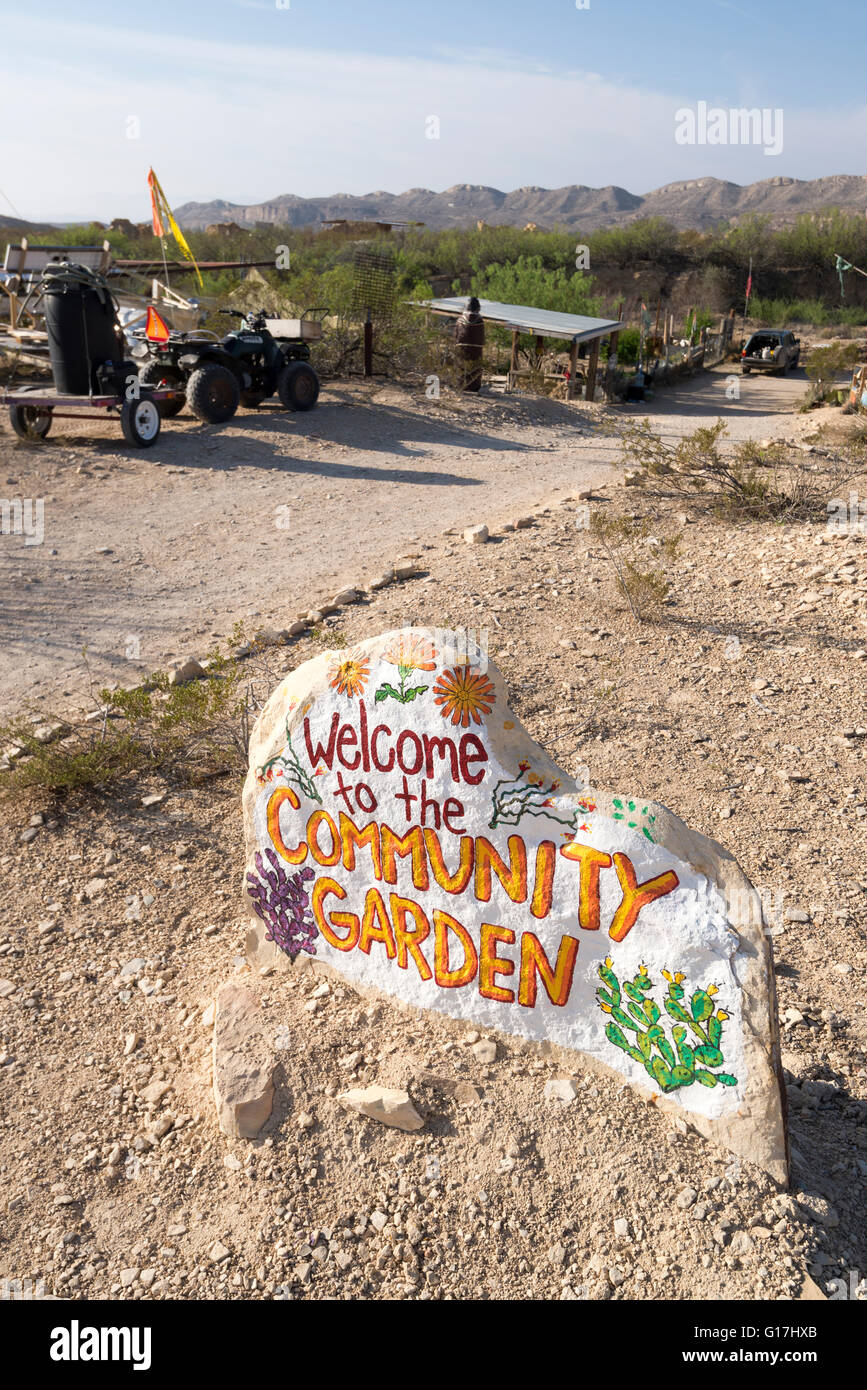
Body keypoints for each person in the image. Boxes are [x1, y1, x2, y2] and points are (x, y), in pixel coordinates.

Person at [454, 296, 485, 391]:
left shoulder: (460, 320)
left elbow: (456, 335)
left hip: (461, 348)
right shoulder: (480, 321)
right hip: (476, 350)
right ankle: (474, 387)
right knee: (475, 368)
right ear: (478, 308)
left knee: (462, 367)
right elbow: (481, 337)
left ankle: (461, 385)